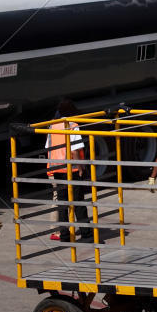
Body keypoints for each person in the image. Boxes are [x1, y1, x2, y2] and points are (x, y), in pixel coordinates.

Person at [44, 99, 94, 240]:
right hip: (71, 169)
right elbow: (75, 149)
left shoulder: (52, 126)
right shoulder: (72, 125)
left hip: (57, 168)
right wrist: (80, 167)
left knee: (62, 203)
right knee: (78, 202)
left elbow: (48, 147)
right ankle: (86, 233)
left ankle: (64, 234)